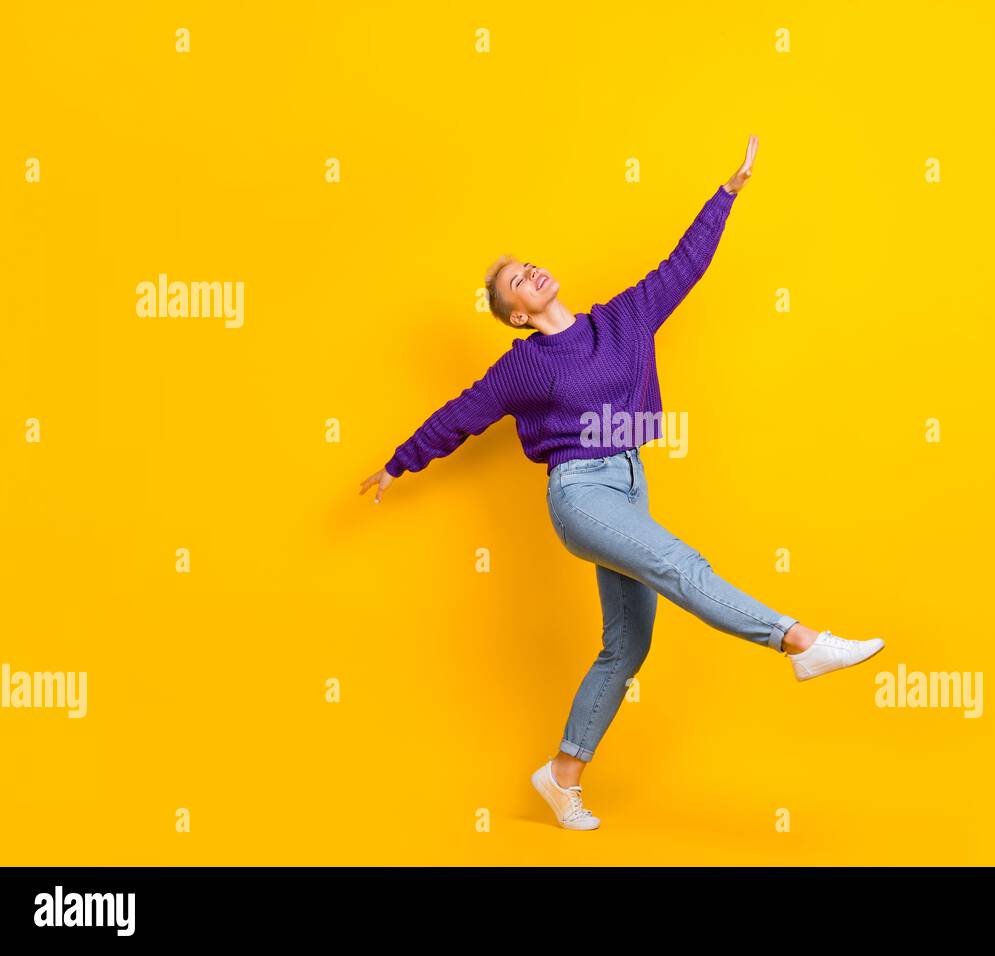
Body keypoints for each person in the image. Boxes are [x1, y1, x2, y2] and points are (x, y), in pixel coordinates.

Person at [359, 136, 885, 830]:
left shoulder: (624, 320)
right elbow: (462, 414)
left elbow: (683, 266)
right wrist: (399, 463)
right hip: (580, 493)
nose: (531, 274)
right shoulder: (527, 364)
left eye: (530, 265)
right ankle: (799, 643)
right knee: (679, 563)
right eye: (516, 281)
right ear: (515, 314)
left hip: (629, 483)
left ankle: (561, 775)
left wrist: (726, 194)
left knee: (627, 646)